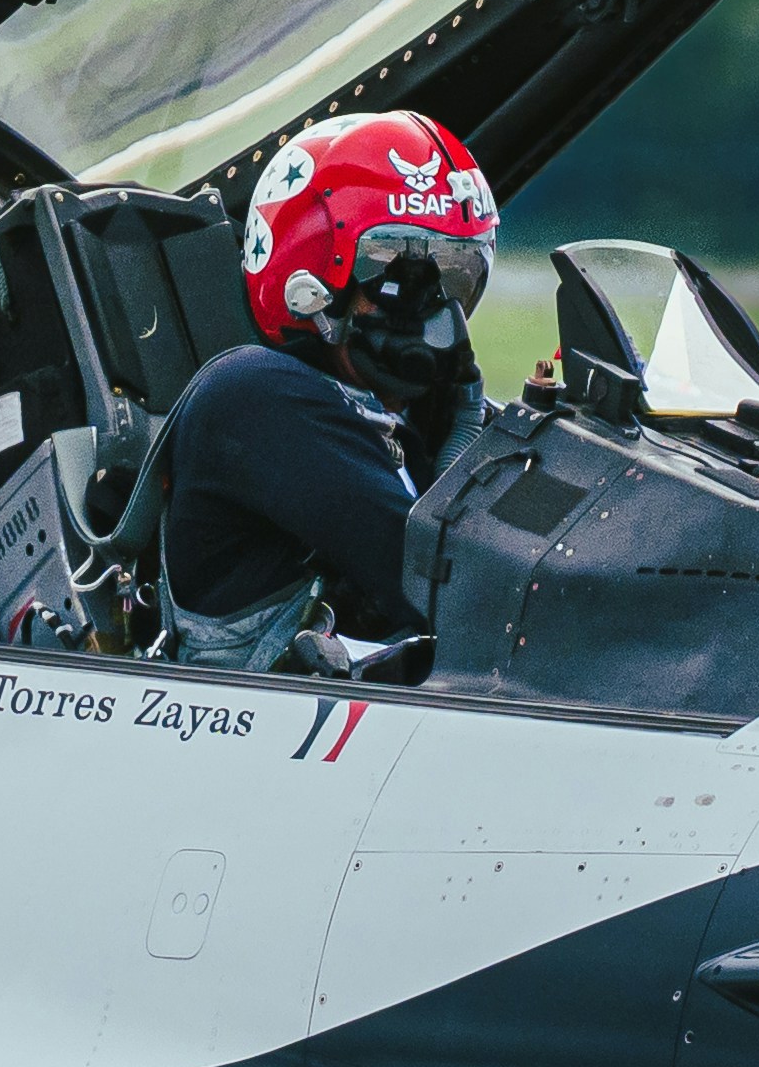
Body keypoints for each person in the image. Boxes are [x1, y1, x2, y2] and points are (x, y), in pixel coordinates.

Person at [156, 110, 501, 664]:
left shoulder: (406, 412)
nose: (438, 316)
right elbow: (448, 589)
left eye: (454, 276)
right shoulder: (253, 397)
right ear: (310, 275)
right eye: (402, 277)